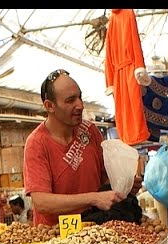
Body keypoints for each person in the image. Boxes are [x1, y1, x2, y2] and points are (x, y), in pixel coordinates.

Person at [23, 69, 142, 227]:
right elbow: (42, 202)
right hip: (57, 238)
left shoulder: (90, 131)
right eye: (70, 100)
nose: (80, 105)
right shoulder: (37, 144)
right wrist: (94, 198)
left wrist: (125, 186)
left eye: (80, 97)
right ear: (50, 106)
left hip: (95, 231)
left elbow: (105, 179)